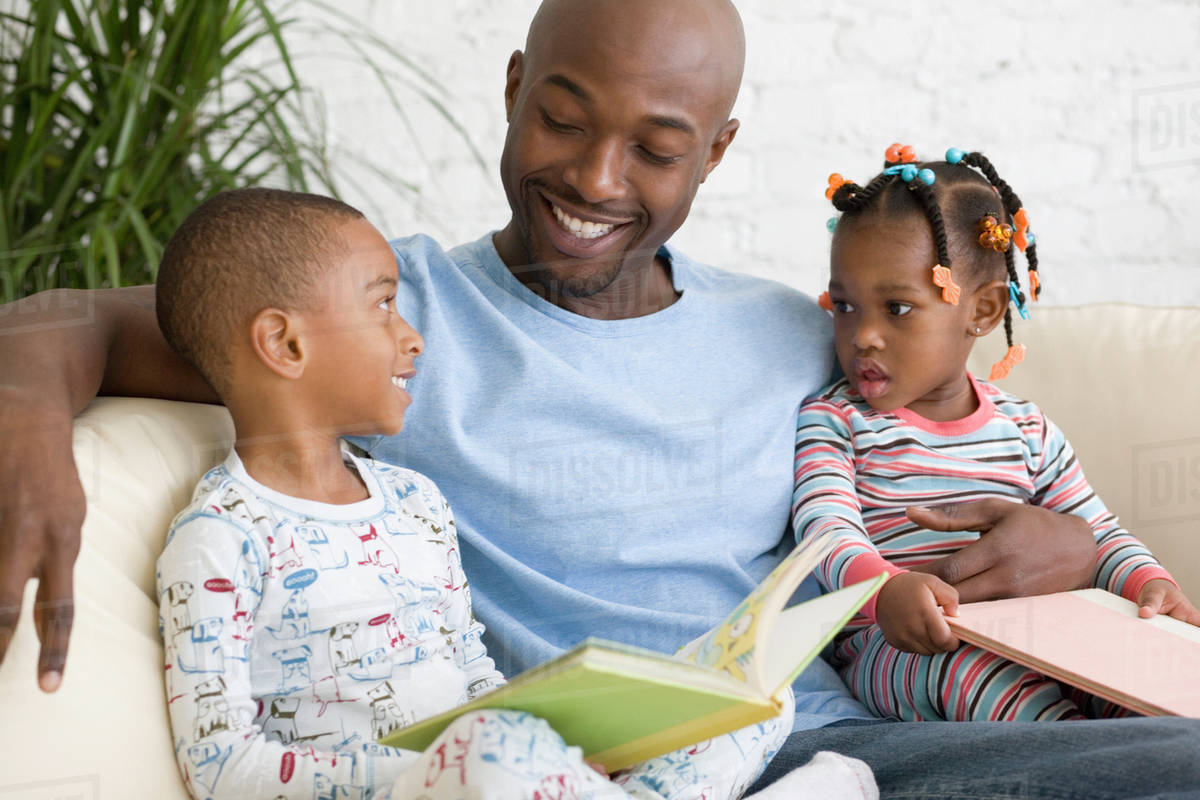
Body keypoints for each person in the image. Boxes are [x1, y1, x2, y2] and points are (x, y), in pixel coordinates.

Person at [1, 1, 1198, 797]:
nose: (593, 176)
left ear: (716, 152)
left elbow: (949, 448)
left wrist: (1063, 546)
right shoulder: (386, 318)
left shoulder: (802, 330)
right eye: (563, 118)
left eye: (657, 149)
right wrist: (29, 424)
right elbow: (68, 319)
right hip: (595, 769)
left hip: (845, 743)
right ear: (514, 86)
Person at [151, 186, 872, 800]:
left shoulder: (414, 502)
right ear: (286, 345)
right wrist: (446, 763)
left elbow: (473, 678)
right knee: (495, 747)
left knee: (753, 699)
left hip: (503, 775)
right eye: (383, 306)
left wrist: (561, 746)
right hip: (428, 782)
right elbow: (222, 766)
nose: (413, 337)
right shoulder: (221, 537)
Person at [790, 145, 1200, 722]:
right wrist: (884, 591)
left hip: (1039, 635)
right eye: (846, 306)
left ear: (982, 312)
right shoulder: (836, 421)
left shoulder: (1027, 429)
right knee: (969, 674)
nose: (863, 336)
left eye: (897, 309)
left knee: (1137, 676)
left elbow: (1099, 532)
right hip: (898, 647)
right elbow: (825, 532)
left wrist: (1151, 584)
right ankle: (1068, 752)